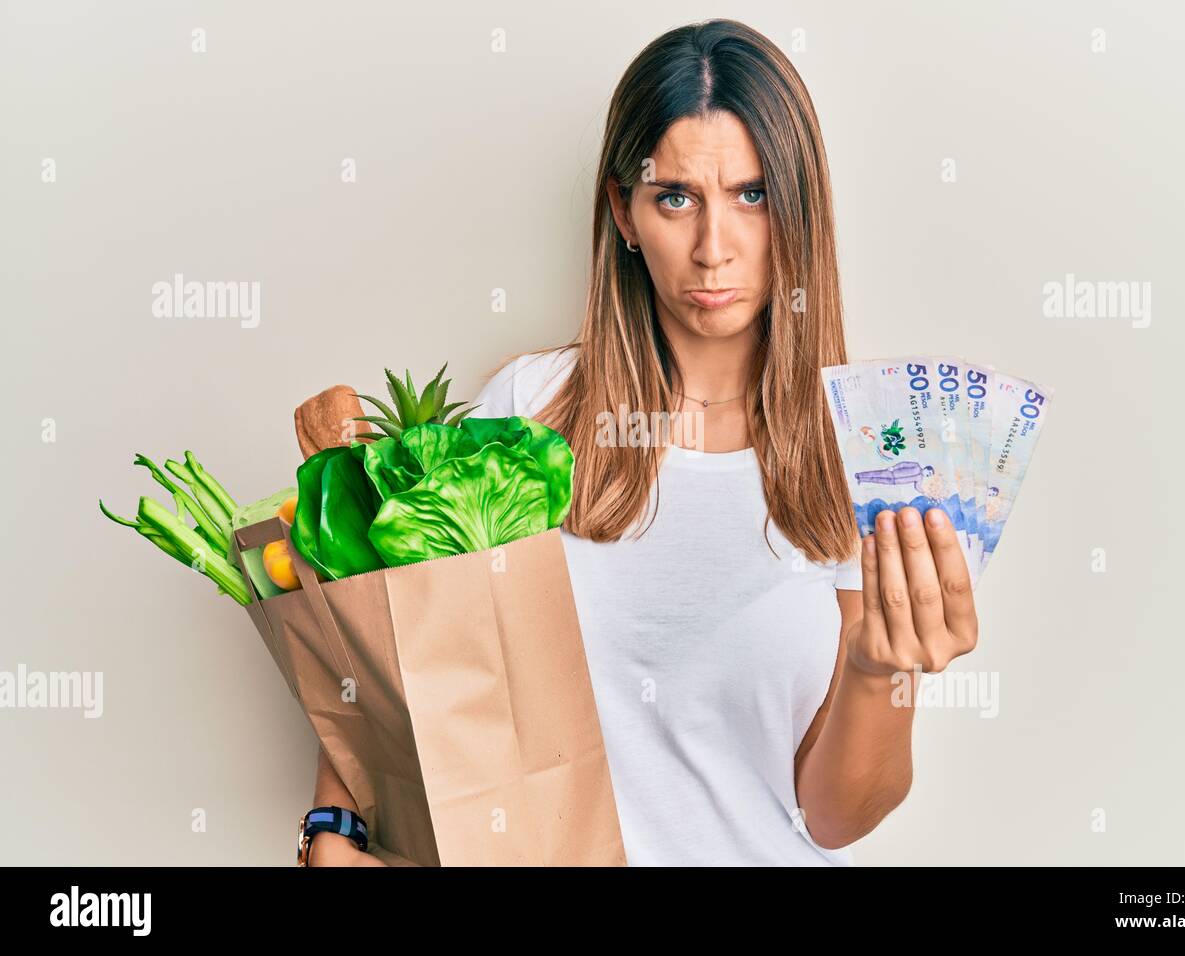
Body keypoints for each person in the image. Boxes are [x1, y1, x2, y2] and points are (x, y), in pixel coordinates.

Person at [310, 16, 978, 867]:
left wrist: (878, 670)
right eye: (675, 198)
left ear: (800, 213)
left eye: (754, 194)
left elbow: (836, 818)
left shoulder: (868, 456)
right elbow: (401, 647)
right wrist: (330, 831)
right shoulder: (530, 410)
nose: (713, 248)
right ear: (624, 213)